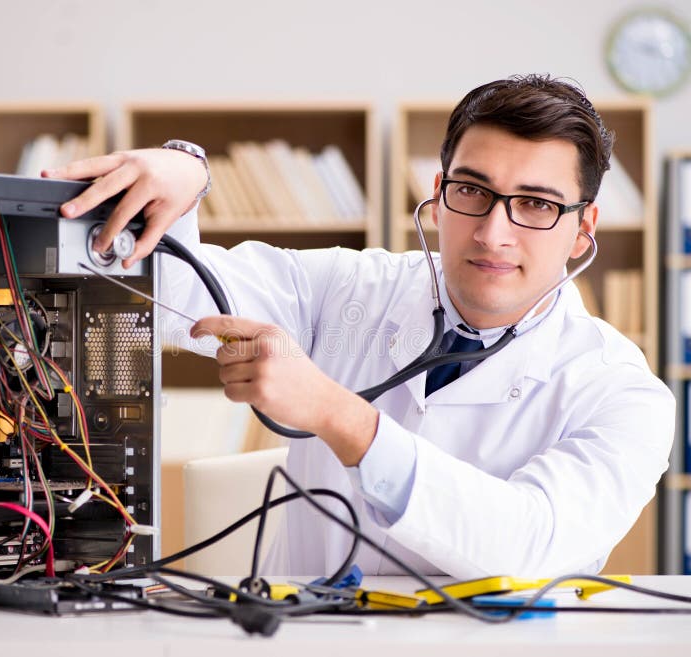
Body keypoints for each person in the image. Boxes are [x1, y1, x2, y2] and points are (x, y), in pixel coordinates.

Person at [44, 74, 675, 578]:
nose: (492, 231)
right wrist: (183, 176)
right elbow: (175, 295)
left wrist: (341, 417)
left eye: (535, 204)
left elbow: (529, 542)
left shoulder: (623, 393)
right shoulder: (349, 287)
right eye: (473, 191)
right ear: (439, 190)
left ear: (583, 228)